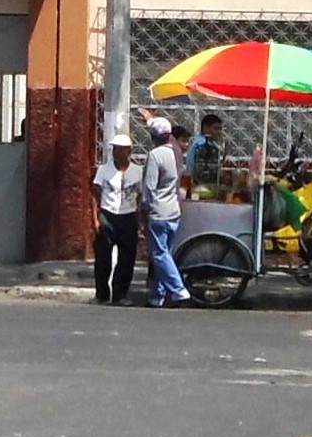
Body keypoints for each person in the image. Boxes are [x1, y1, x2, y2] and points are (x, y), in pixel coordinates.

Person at [141, 116, 188, 307]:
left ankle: (178, 290)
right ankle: (157, 296)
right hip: (173, 210)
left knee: (159, 255)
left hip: (158, 211)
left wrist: (144, 209)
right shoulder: (176, 152)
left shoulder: (155, 155)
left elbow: (149, 188)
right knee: (165, 253)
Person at [92, 134, 142, 305]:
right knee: (103, 257)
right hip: (108, 214)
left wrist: (141, 220)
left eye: (120, 149)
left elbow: (141, 197)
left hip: (129, 216)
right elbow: (95, 194)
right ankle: (102, 293)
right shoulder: (103, 170)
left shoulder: (137, 171)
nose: (116, 152)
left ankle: (120, 294)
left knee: (127, 258)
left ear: (129, 151)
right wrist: (95, 218)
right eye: (114, 149)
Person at [188, 112, 226, 192]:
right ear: (206, 128)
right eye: (216, 129)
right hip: (201, 185)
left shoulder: (211, 144)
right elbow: (202, 167)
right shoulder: (202, 144)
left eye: (220, 129)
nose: (219, 132)